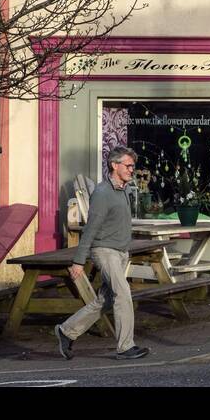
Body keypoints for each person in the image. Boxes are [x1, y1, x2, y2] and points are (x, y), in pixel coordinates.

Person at [55, 146, 149, 360]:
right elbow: (90, 229)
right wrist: (78, 262)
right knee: (123, 293)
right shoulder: (102, 193)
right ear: (114, 165)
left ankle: (66, 331)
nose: (132, 170)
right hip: (105, 251)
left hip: (120, 252)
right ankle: (125, 347)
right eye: (128, 165)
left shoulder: (124, 189)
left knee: (105, 300)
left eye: (133, 166)